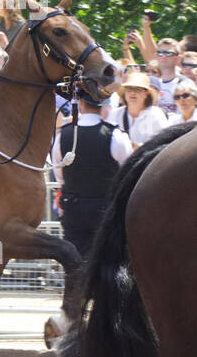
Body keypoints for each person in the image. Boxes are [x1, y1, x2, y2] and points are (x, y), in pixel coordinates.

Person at [51, 93, 131, 257]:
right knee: (108, 261)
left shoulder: (63, 135)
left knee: (75, 262)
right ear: (103, 106)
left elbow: (59, 174)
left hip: (74, 208)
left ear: (80, 103)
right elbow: (127, 172)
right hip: (106, 208)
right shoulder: (115, 135)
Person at [108, 70, 172, 148]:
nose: (132, 93)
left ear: (146, 94)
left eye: (137, 89)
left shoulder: (156, 115)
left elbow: (165, 143)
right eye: (129, 89)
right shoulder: (114, 114)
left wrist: (139, 147)